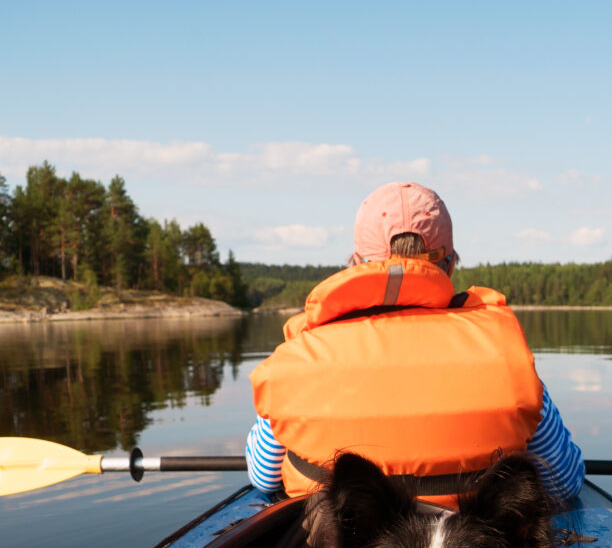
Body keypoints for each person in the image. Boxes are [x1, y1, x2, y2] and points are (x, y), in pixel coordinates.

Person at [245, 181, 584, 505]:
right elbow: (563, 482)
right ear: (449, 265)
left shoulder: (302, 355)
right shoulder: (503, 352)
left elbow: (264, 476)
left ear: (356, 264)